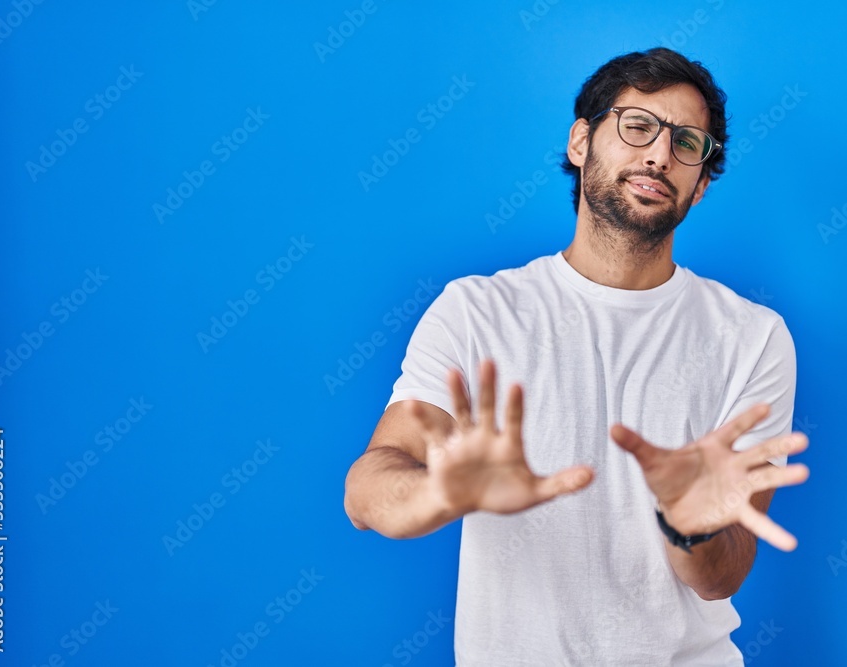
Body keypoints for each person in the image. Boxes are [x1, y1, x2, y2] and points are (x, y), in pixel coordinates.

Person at [344, 46, 810, 666]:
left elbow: (722, 577)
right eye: (638, 126)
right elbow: (366, 490)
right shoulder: (476, 311)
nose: (659, 155)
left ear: (700, 186)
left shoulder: (753, 337)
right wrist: (440, 494)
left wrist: (687, 522)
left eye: (687, 144)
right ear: (580, 142)